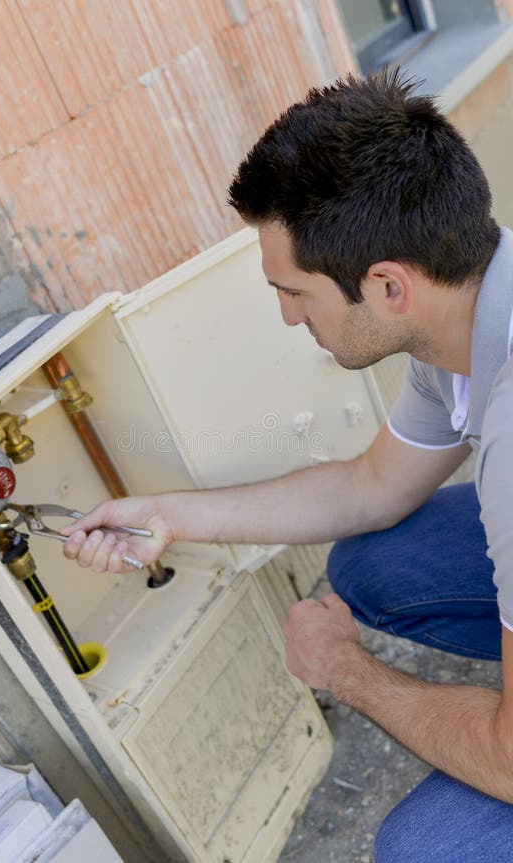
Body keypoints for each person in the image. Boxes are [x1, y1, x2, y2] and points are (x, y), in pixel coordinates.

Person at [60, 69, 513, 861]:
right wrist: (170, 514)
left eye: (295, 291)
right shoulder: (464, 321)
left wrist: (346, 670)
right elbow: (371, 486)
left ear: (388, 285)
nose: (287, 315)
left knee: (425, 848)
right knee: (373, 562)